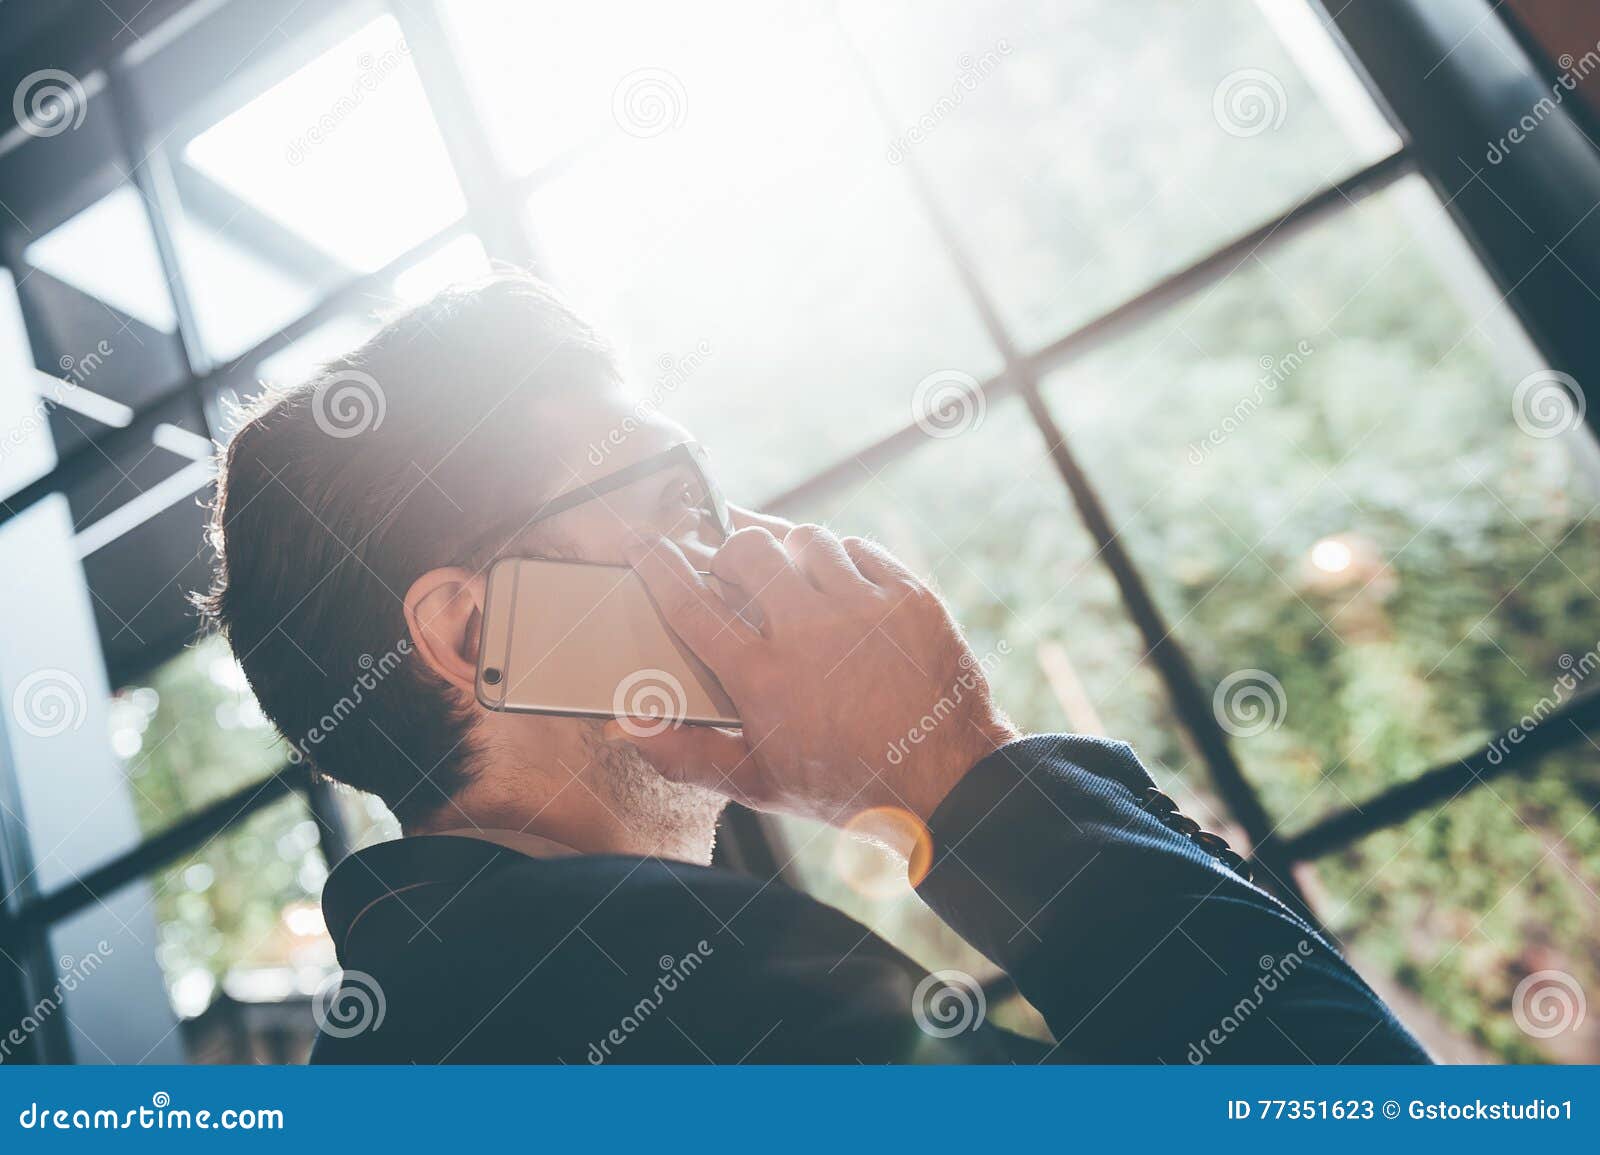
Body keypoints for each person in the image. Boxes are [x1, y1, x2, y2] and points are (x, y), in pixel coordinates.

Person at [199, 274, 1427, 1064]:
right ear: (473, 636)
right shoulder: (668, 987)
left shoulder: (424, 1027)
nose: (734, 546)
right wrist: (954, 771)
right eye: (672, 499)